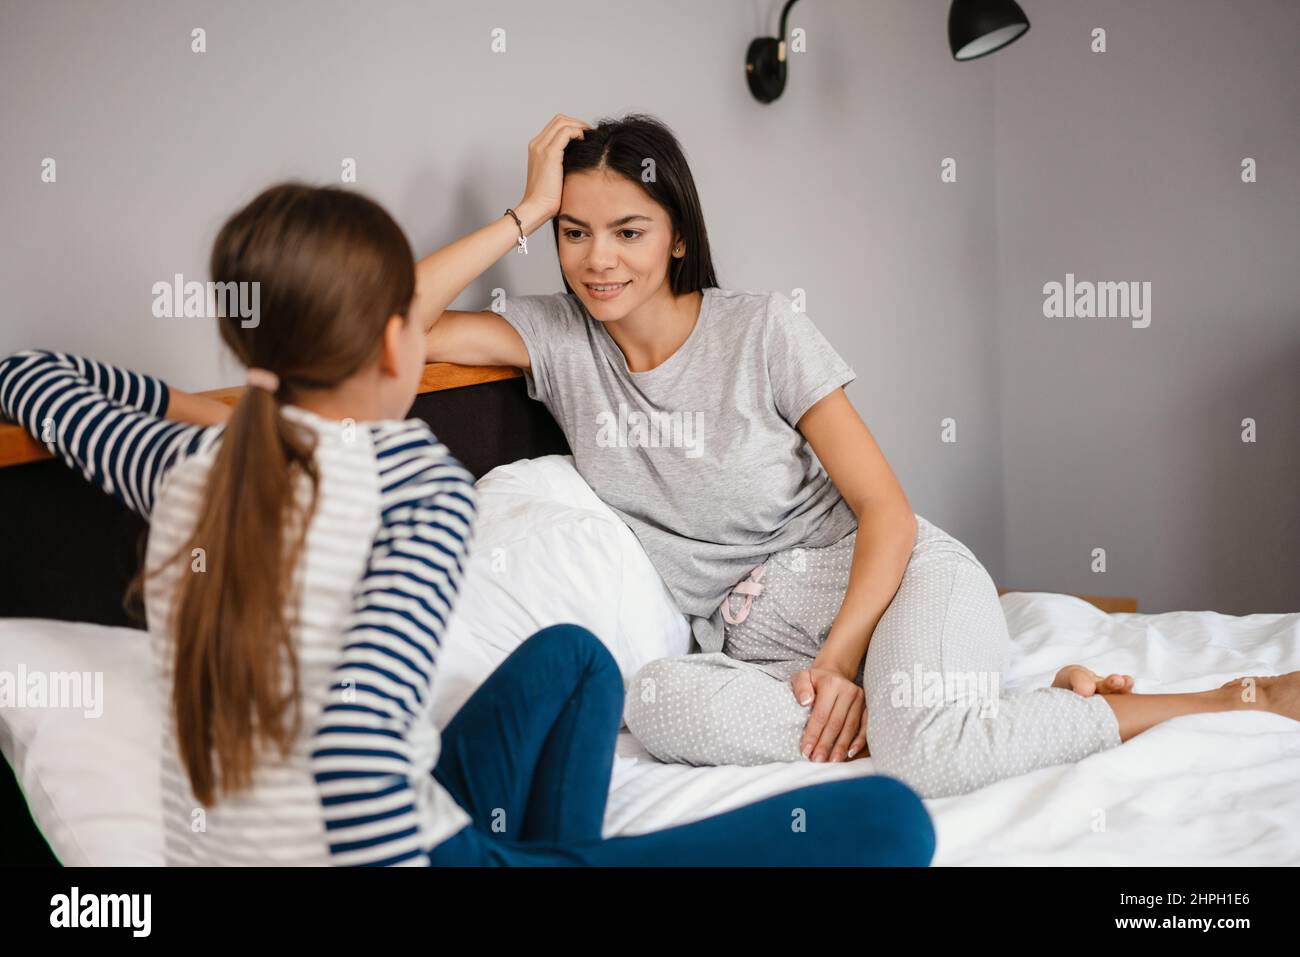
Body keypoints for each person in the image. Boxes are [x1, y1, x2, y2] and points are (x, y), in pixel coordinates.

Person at [0, 180, 935, 865]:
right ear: (397, 339)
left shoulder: (176, 462)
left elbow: (28, 376)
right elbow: (357, 739)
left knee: (576, 658)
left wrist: (222, 410)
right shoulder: (413, 484)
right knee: (893, 823)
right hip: (394, 853)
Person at [424, 112, 1300, 800]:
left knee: (926, 760)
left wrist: (841, 660)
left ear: (678, 235)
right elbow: (385, 321)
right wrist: (524, 213)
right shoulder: (555, 340)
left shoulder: (759, 327)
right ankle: (1008, 713)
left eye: (628, 231)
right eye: (574, 233)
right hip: (756, 658)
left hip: (892, 581)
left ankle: (1227, 698)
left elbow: (887, 508)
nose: (598, 260)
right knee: (655, 700)